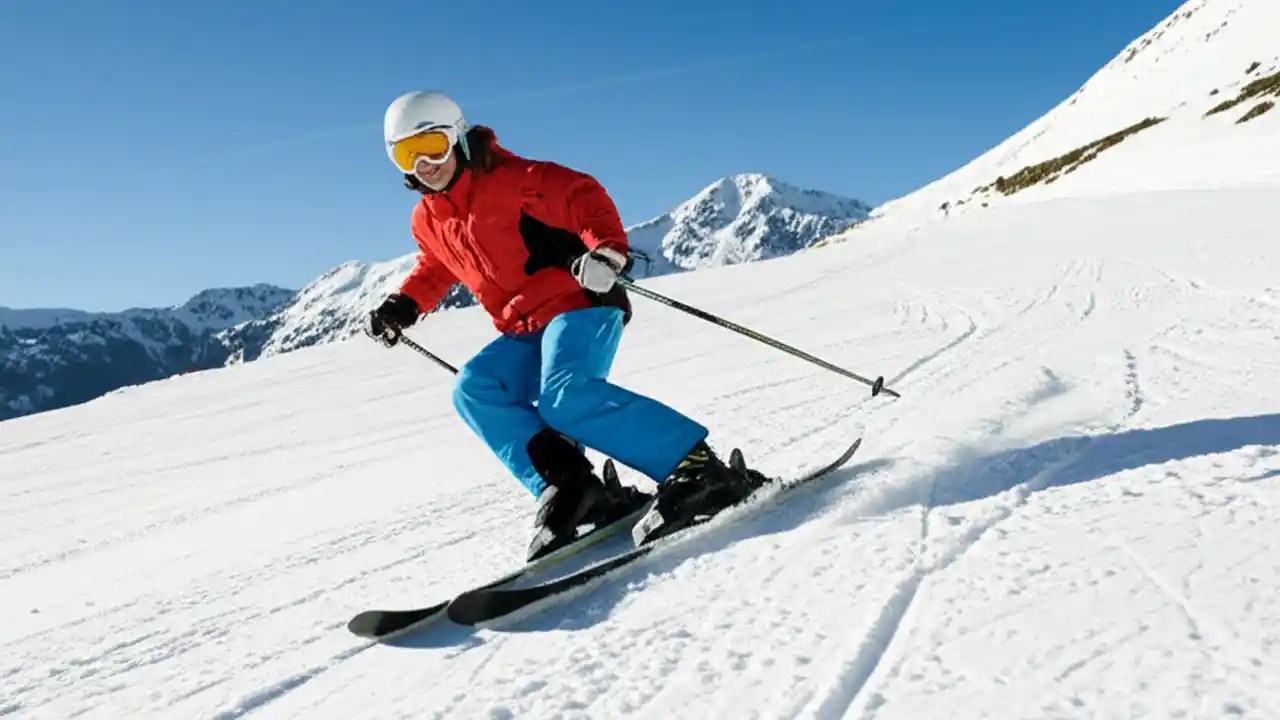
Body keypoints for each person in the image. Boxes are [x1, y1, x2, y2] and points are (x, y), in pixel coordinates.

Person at [365, 91, 757, 560]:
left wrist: (606, 252)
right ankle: (570, 486)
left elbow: (581, 197)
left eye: (432, 145)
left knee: (566, 396)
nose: (425, 163)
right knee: (475, 388)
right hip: (522, 326)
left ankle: (697, 470)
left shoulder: (513, 180)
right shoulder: (427, 219)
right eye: (407, 154)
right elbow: (437, 265)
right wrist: (404, 305)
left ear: (458, 137)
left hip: (580, 302)